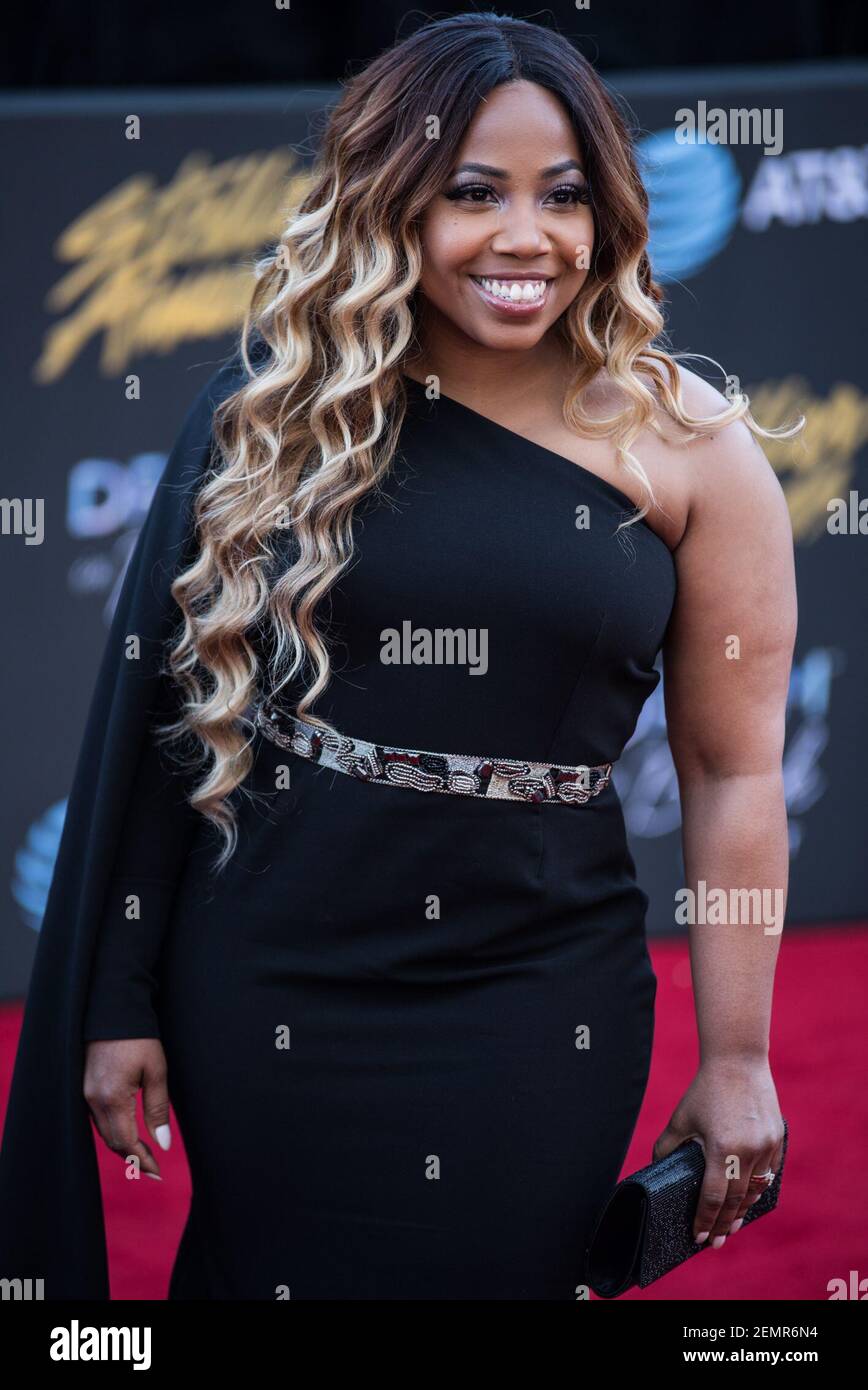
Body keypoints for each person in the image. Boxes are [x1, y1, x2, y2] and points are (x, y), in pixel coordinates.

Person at [0, 12, 795, 1300]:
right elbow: (172, 712)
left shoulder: (698, 450)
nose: (525, 235)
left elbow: (734, 772)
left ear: (612, 214)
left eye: (565, 194)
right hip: (270, 982)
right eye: (474, 193)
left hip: (537, 1000)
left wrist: (741, 1055)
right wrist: (118, 996)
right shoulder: (274, 414)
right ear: (395, 206)